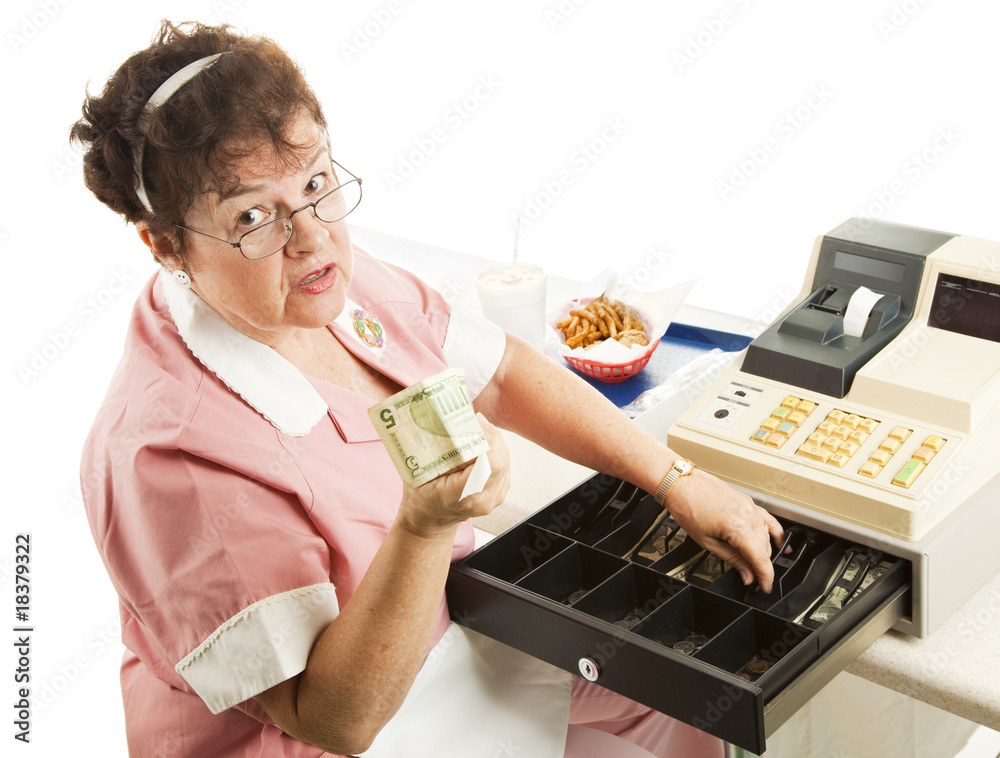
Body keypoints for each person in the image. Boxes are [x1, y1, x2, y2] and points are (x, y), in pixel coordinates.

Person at [72, 20, 784, 758]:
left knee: (680, 700)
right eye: (252, 216)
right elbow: (330, 719)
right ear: (164, 243)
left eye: (316, 182)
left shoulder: (322, 278)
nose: (312, 237)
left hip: (444, 639)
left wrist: (673, 478)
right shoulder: (168, 455)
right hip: (330, 730)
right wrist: (424, 523)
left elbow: (503, 373)